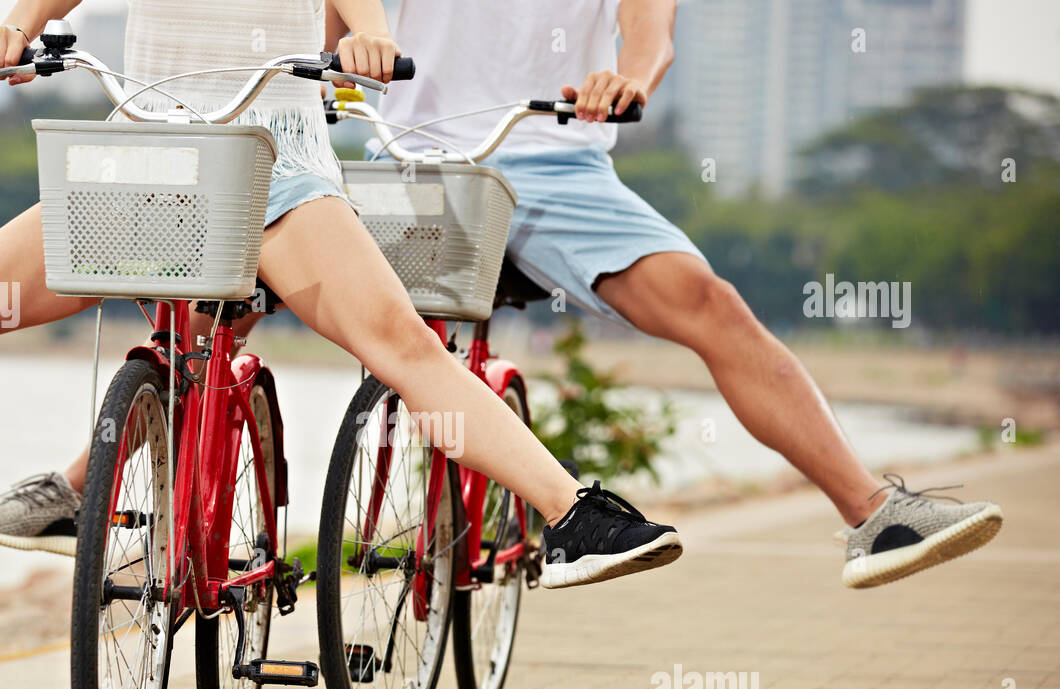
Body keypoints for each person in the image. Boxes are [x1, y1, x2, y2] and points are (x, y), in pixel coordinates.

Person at [0, 0, 683, 590]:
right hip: (141, 153)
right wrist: (13, 27)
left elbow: (364, 14)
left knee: (400, 345)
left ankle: (575, 517)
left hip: (273, 159)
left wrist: (372, 37)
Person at [316, 0, 1000, 589]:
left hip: (560, 163)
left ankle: (875, 514)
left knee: (713, 303)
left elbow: (649, 28)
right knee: (333, 308)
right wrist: (350, 45)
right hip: (415, 155)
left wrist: (629, 77)